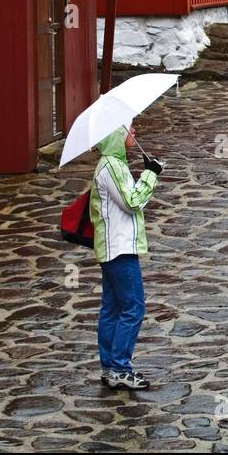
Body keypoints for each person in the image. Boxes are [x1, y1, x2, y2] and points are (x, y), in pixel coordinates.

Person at [91, 124, 162, 391]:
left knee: (112, 308)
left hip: (111, 248)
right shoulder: (112, 166)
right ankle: (120, 367)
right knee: (134, 307)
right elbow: (132, 202)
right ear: (115, 134)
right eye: (129, 127)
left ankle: (110, 366)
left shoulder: (111, 164)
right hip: (120, 249)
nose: (134, 130)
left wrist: (146, 171)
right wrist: (151, 175)